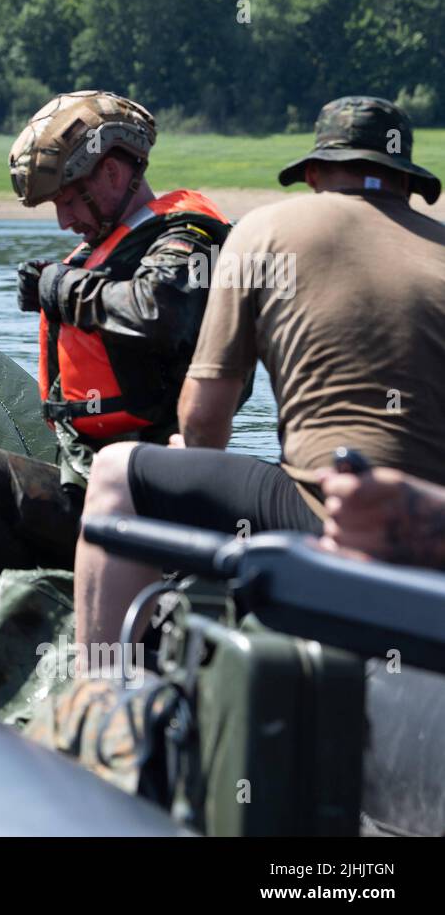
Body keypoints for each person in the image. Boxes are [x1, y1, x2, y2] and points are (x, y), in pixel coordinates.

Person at [75, 95, 445, 648]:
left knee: (115, 472)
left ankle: (100, 696)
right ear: (406, 183)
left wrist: (192, 464)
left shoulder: (265, 231)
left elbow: (204, 418)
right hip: (429, 529)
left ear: (315, 174)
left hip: (325, 514)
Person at [0, 90, 233, 617]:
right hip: (85, 482)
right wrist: (59, 283)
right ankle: (5, 627)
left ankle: (45, 625)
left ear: (112, 173)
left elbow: (156, 311)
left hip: (151, 493)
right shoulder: (104, 250)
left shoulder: (189, 236)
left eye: (69, 198)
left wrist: (59, 289)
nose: (64, 220)